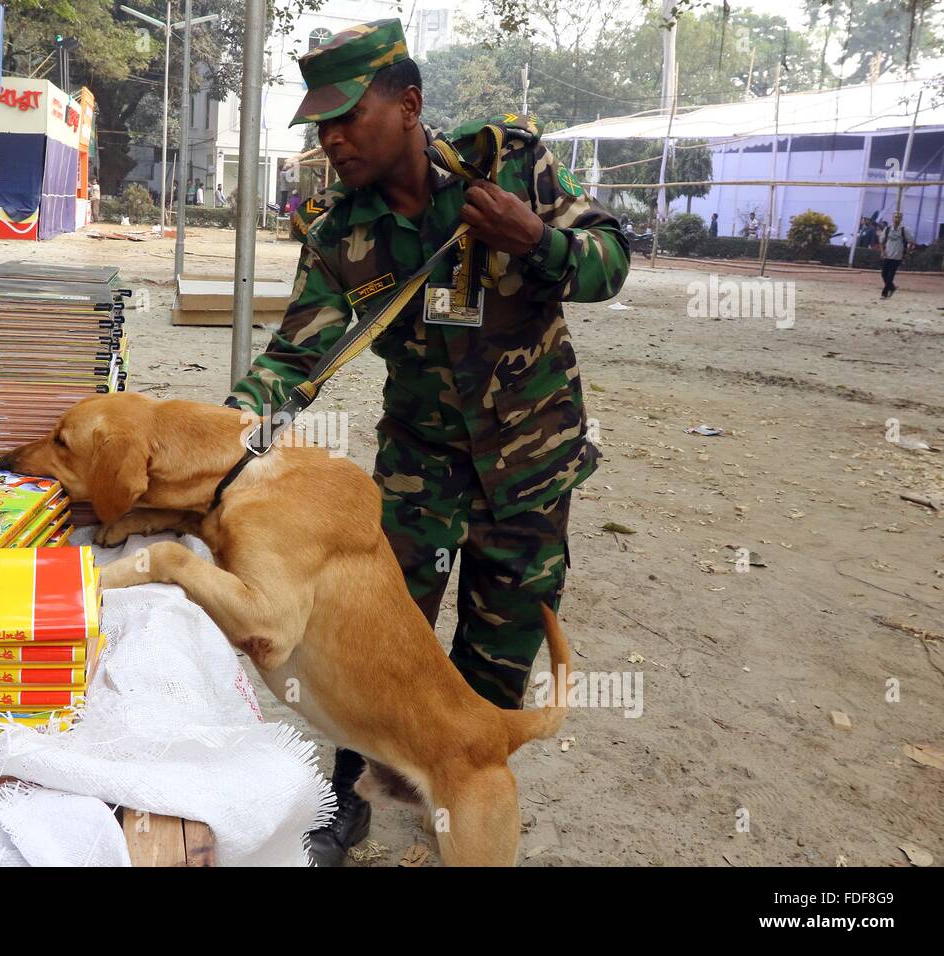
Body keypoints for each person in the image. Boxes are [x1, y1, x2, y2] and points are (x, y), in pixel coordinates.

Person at [225, 18, 629, 866]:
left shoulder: (510, 162)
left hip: (531, 460)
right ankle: (345, 800)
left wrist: (538, 239)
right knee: (376, 642)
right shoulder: (339, 232)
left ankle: (460, 786)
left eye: (347, 118)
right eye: (320, 126)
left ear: (408, 104)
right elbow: (298, 353)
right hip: (419, 468)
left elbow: (611, 260)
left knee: (501, 638)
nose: (331, 140)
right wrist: (220, 443)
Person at [876, 211, 914, 299]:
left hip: (897, 256)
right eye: (895, 217)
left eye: (899, 217)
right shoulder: (888, 229)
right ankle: (892, 287)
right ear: (892, 218)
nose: (897, 219)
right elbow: (881, 241)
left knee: (891, 274)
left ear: (901, 219)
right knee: (884, 273)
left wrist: (906, 253)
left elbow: (911, 241)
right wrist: (882, 251)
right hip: (888, 255)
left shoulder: (904, 230)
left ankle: (885, 293)